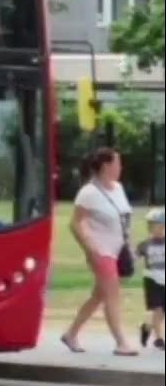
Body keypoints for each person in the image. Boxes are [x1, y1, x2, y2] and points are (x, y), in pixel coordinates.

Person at [61, 147, 139, 356]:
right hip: (101, 251)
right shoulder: (88, 193)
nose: (121, 167)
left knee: (99, 295)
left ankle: (71, 333)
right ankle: (121, 342)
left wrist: (129, 246)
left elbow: (124, 219)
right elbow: (75, 223)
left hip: (118, 249)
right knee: (112, 295)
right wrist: (90, 249)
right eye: (117, 163)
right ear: (106, 166)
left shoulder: (118, 188)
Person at [136, 207, 165, 349]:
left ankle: (146, 327)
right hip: (152, 279)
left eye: (162, 226)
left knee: (161, 311)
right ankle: (159, 339)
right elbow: (134, 258)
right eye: (155, 226)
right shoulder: (145, 244)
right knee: (157, 308)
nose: (159, 229)